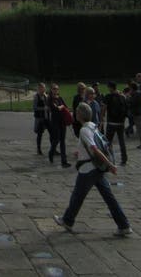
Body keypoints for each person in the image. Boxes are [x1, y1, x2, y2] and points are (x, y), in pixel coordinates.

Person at [53, 102, 132, 236]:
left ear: (80, 115)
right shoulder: (93, 126)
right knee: (108, 197)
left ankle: (67, 220)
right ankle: (124, 225)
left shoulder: (84, 130)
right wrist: (81, 152)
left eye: (77, 112)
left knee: (78, 196)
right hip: (97, 168)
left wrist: (109, 165)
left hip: (89, 169)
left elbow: (94, 149)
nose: (75, 113)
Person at [102, 81, 128, 166]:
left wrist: (102, 118)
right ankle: (124, 159)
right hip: (121, 122)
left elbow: (104, 108)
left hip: (111, 123)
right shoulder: (122, 96)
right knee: (122, 142)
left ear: (110, 87)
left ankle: (110, 159)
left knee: (108, 142)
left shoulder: (108, 96)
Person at [48, 83, 71, 167]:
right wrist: (61, 107)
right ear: (51, 90)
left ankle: (64, 161)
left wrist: (61, 107)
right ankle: (51, 152)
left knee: (63, 141)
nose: (56, 90)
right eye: (54, 88)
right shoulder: (50, 99)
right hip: (55, 122)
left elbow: (66, 107)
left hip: (62, 122)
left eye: (57, 89)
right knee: (56, 139)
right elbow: (55, 108)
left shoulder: (60, 98)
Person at [128, 80, 141, 149]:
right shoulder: (138, 93)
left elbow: (133, 103)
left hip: (138, 114)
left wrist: (129, 97)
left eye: (130, 88)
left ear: (132, 88)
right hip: (139, 113)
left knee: (140, 129)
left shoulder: (136, 94)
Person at [33, 82, 50, 154]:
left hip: (46, 117)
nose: (43, 89)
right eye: (41, 88)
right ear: (39, 89)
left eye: (44, 88)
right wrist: (44, 108)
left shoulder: (46, 96)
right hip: (39, 118)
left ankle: (53, 148)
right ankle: (38, 149)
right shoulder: (36, 97)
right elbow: (35, 107)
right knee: (40, 134)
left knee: (52, 132)